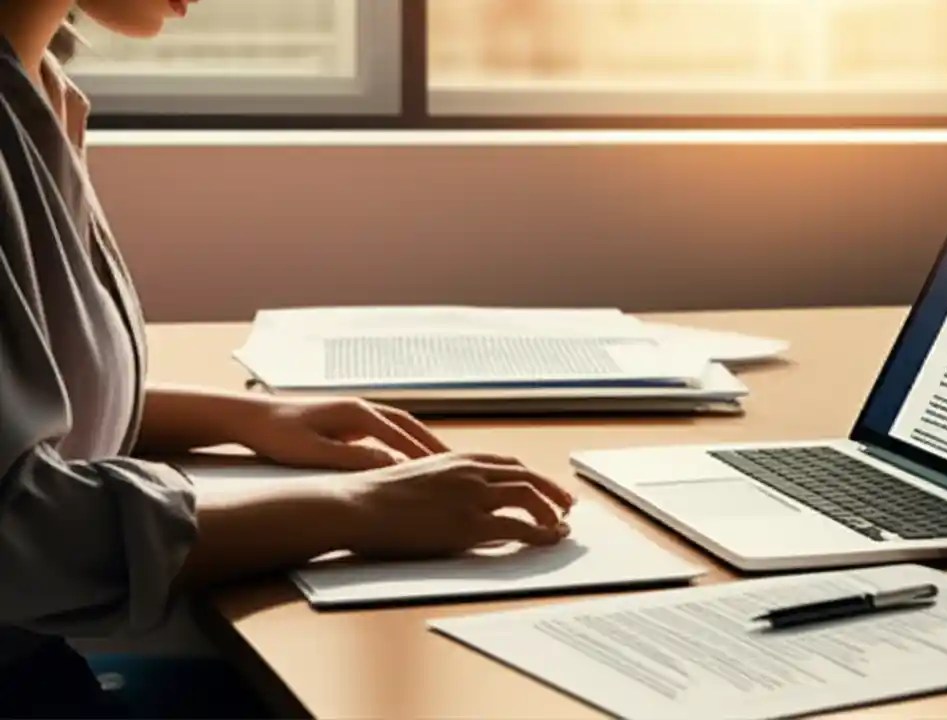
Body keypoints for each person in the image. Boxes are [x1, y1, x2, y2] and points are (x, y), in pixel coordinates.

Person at [0, 0, 575, 716]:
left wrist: (248, 418)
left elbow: (30, 392)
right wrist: (358, 509)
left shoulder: (38, 86)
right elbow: (16, 537)